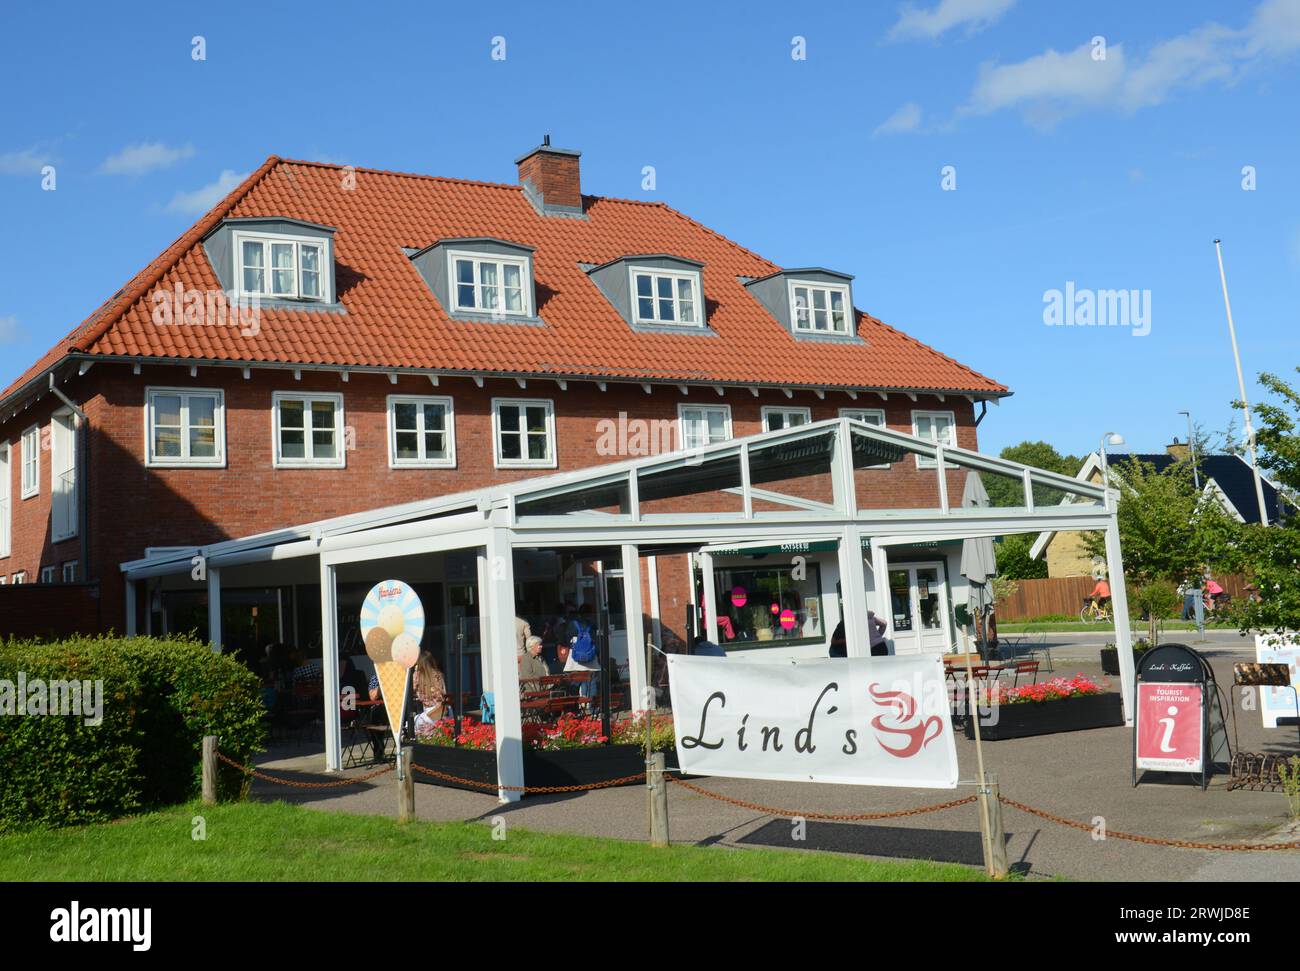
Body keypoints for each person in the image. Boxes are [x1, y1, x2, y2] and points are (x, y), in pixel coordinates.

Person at [412, 652, 448, 736]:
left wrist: (415, 670)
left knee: (412, 721)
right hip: (444, 711)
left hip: (430, 714)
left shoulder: (417, 676)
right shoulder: (439, 674)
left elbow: (409, 692)